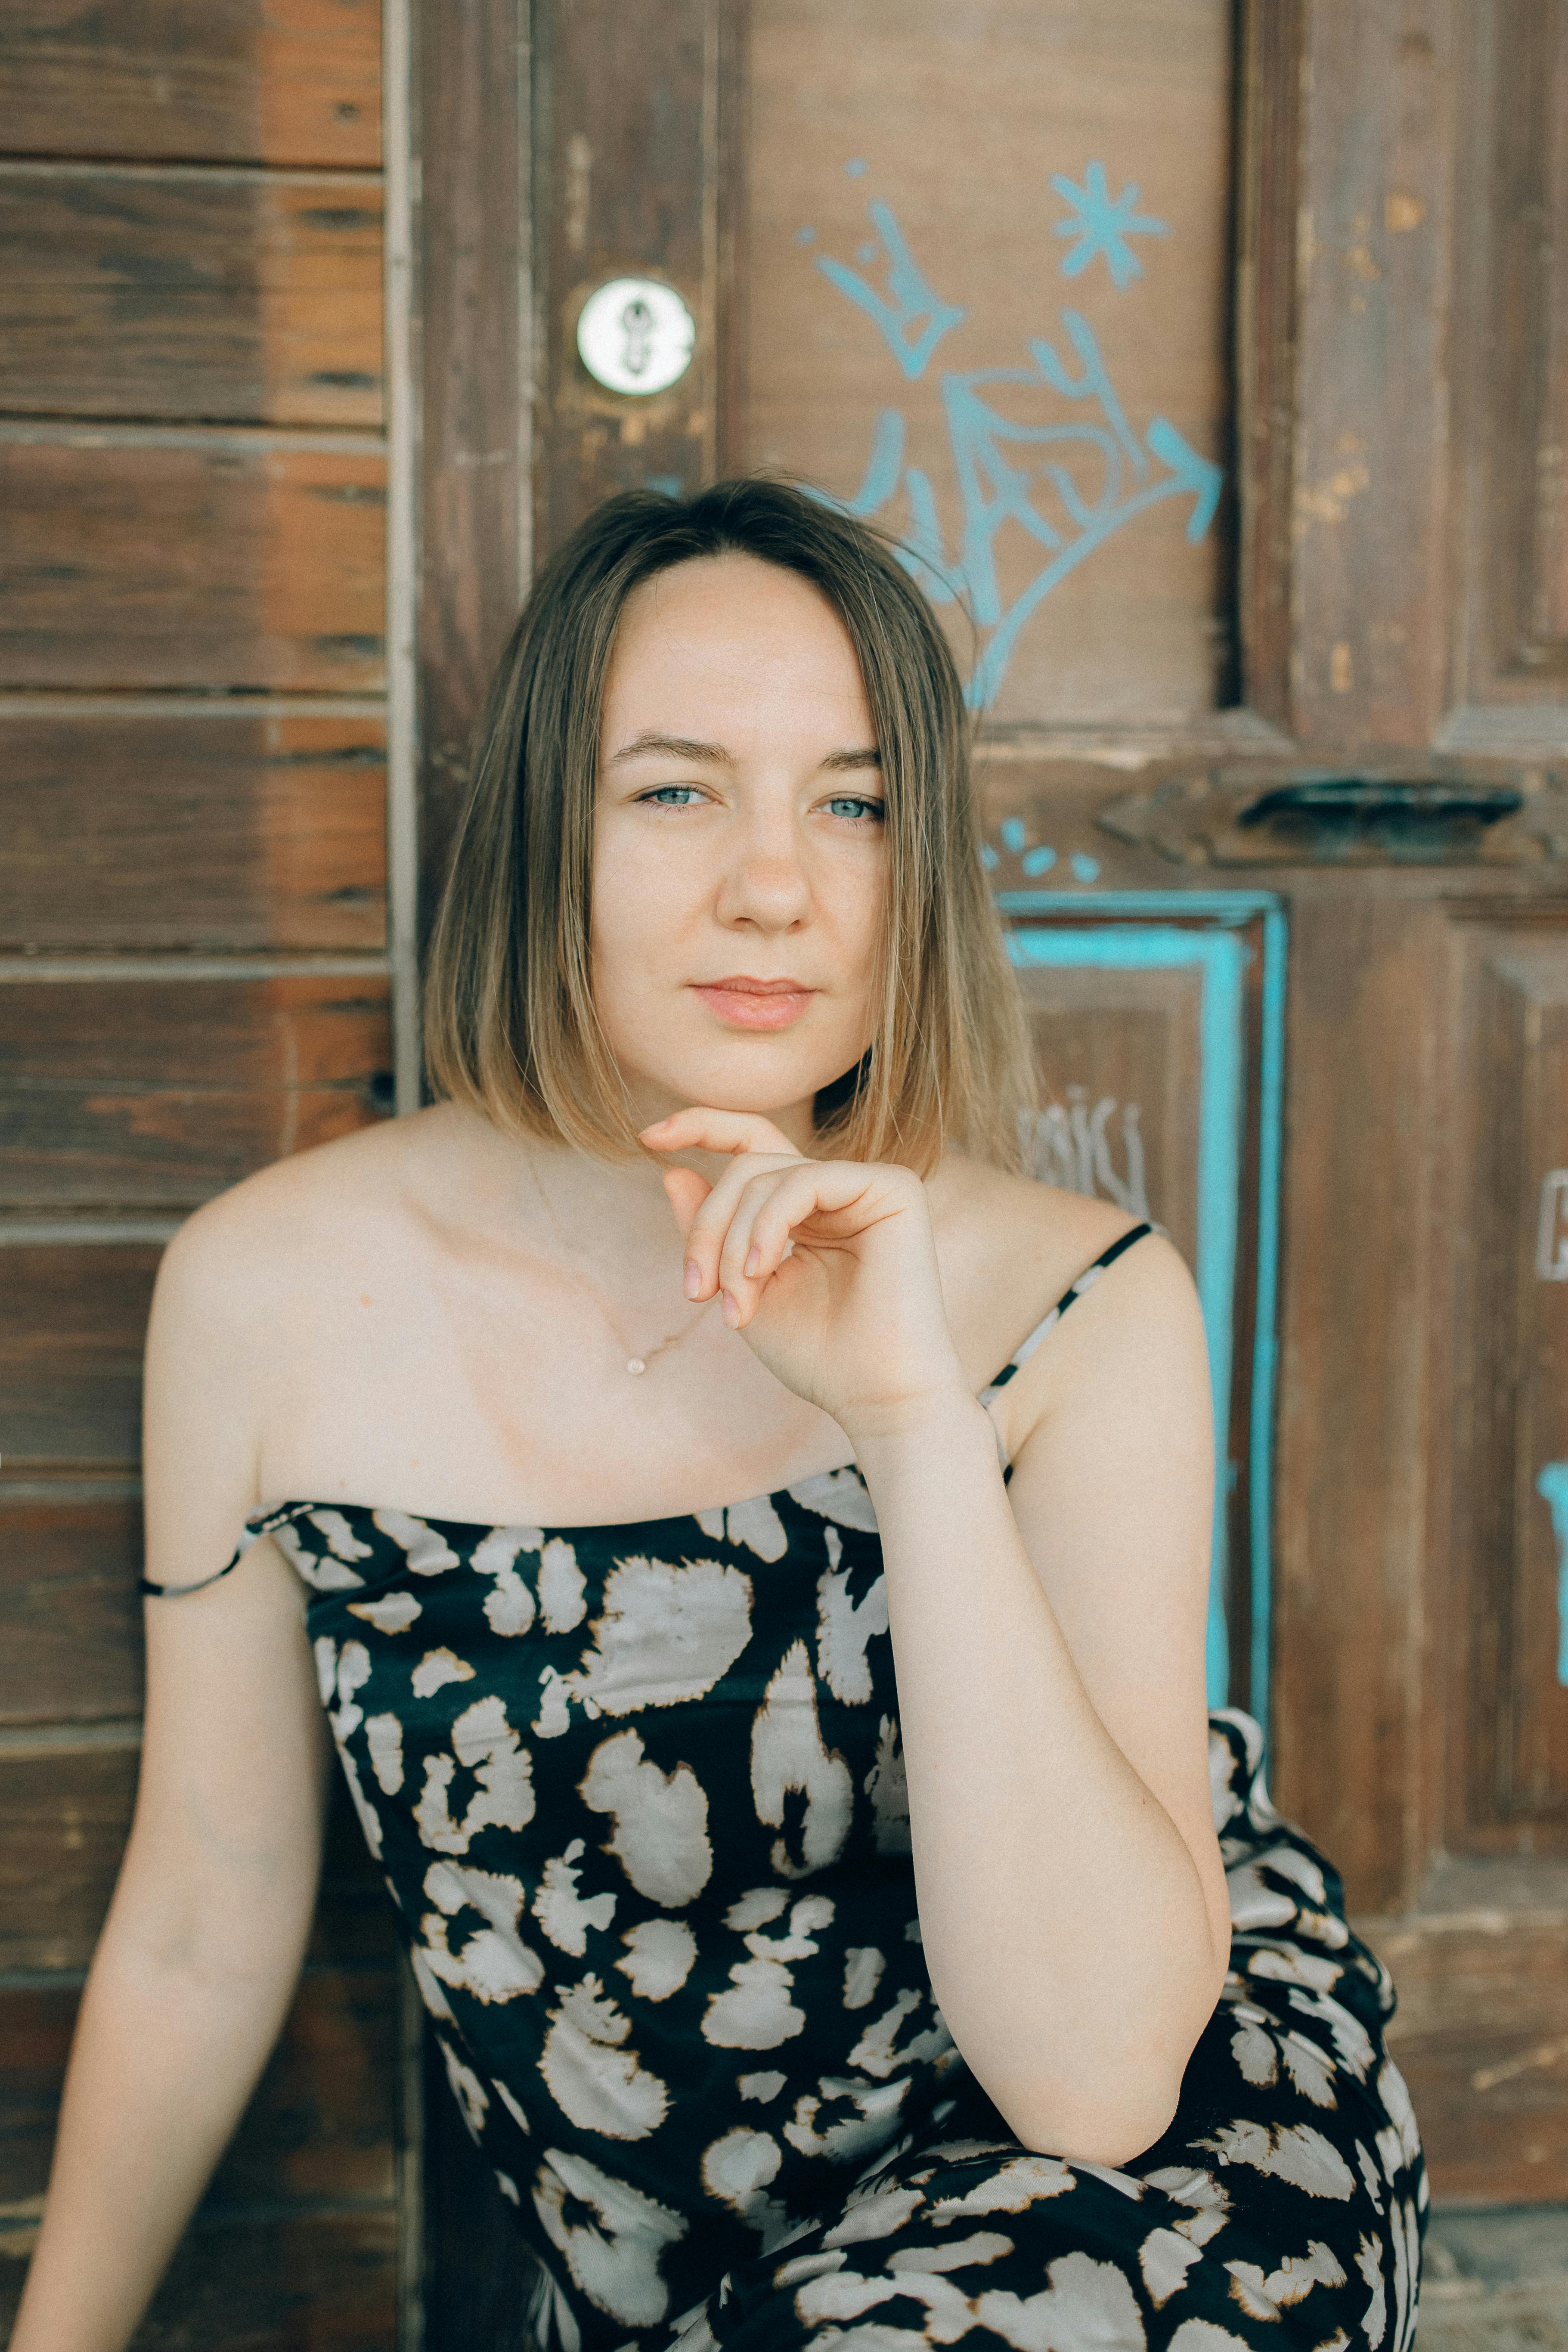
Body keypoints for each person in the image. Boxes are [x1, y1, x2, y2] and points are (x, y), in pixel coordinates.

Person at [12, 480, 1425, 2352]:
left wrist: (910, 1421)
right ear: (545, 832)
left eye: (855, 804)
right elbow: (208, 1913)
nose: (776, 885)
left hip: (1161, 2176)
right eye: (677, 791)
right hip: (700, 2284)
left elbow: (1097, 2083)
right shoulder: (264, 1294)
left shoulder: (1078, 1301)